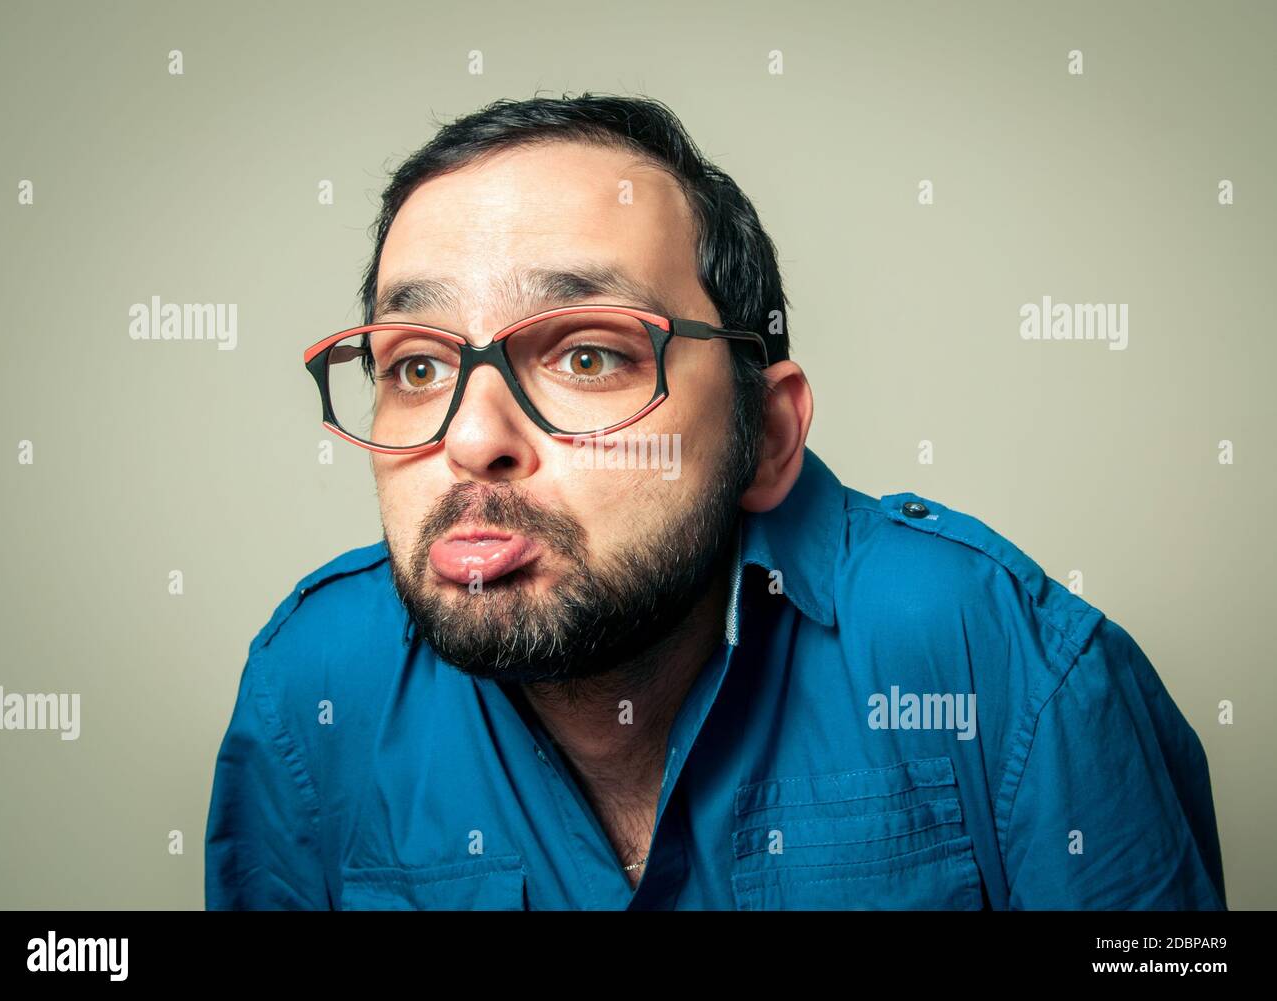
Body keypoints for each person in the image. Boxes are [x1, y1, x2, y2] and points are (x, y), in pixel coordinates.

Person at [205, 93, 1226, 910]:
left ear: (766, 435)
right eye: (416, 366)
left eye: (588, 352)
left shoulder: (1005, 663)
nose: (470, 440)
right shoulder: (311, 687)